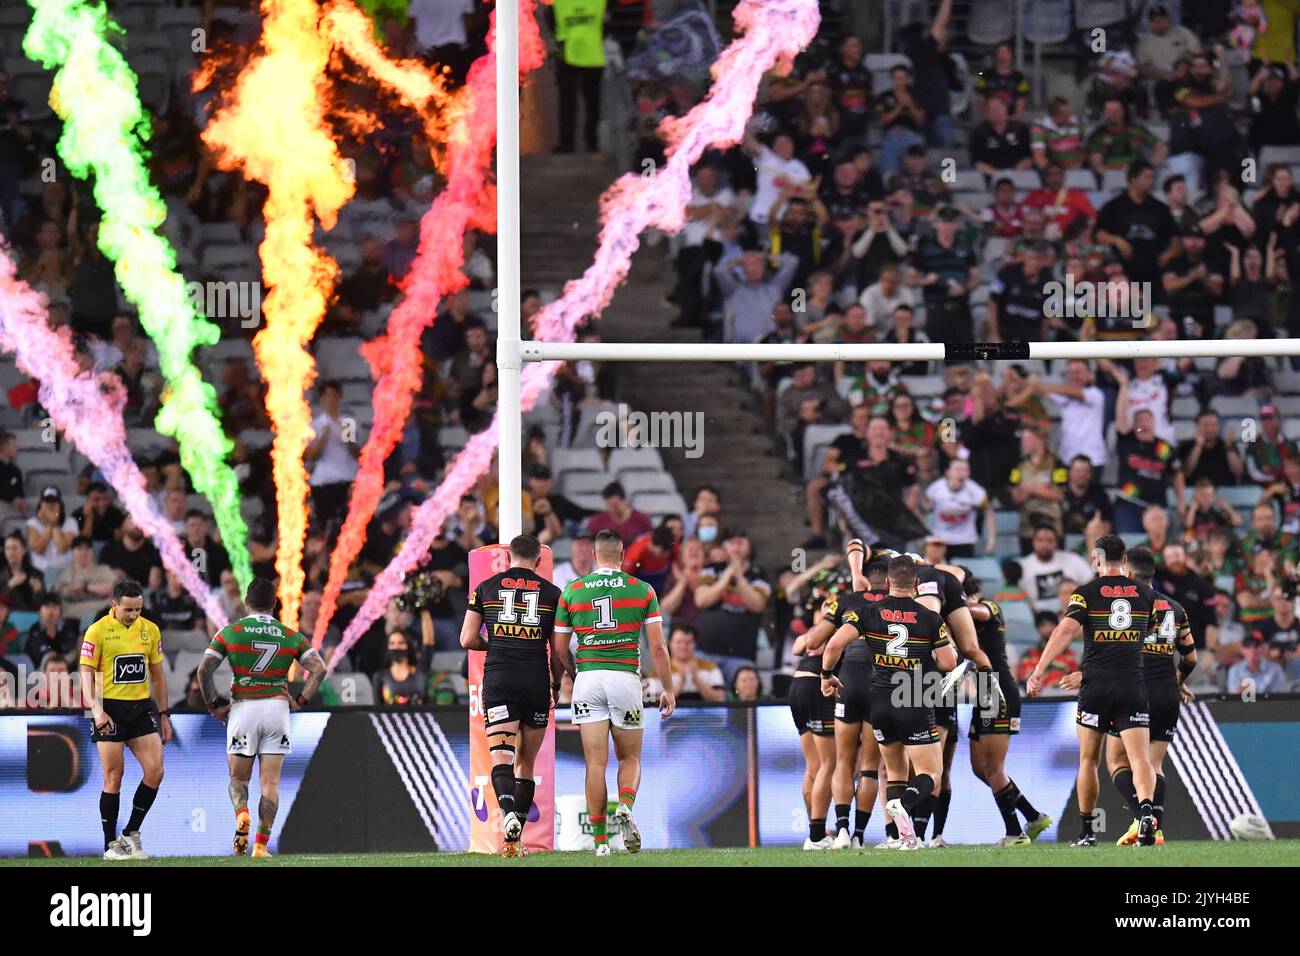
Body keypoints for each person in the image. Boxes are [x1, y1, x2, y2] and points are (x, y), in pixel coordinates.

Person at [1028, 535, 1162, 847]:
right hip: (1132, 682)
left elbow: (1065, 630)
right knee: (1140, 758)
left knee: (1088, 759)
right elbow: (1150, 630)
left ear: (1096, 559)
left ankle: (1087, 832)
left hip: (1095, 685)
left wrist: (1039, 669)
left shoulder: (1085, 593)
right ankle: (1146, 815)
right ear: (1125, 561)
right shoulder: (1146, 594)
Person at [819, 554, 958, 850]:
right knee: (930, 774)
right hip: (912, 696)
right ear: (917, 584)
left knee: (893, 771)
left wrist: (826, 675)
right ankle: (904, 806)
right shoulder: (930, 618)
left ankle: (898, 837)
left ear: (888, 581)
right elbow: (948, 662)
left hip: (879, 701)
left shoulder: (868, 612)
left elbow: (832, 645)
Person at [1065, 548, 1197, 846]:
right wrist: (1179, 681)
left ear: (1128, 571)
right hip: (1166, 690)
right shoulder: (1174, 608)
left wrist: (1087, 676)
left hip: (1133, 687)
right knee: (1153, 763)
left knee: (1115, 761)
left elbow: (1112, 653)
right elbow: (1191, 658)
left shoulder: (1120, 604)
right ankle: (1154, 826)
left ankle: (1141, 817)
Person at [554, 529, 674, 856]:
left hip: (588, 678)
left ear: (594, 556)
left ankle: (600, 843)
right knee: (630, 756)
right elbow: (658, 647)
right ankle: (624, 805)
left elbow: (560, 648)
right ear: (622, 556)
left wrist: (573, 674)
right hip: (625, 679)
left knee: (595, 763)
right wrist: (669, 688)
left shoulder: (572, 590)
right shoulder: (643, 590)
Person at [198, 577, 326, 859]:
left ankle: (242, 814)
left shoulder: (231, 632)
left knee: (238, 780)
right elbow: (319, 669)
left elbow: (204, 670)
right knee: (270, 784)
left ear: (247, 602)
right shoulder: (289, 634)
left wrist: (213, 705)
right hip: (277, 710)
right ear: (275, 604)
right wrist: (300, 701)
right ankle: (260, 846)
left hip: (243, 708)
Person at [460, 533, 567, 856]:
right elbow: (558, 652)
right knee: (526, 764)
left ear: (508, 558)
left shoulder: (486, 588)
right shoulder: (553, 594)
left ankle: (507, 816)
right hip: (535, 681)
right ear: (538, 560)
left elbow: (467, 638)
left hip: (500, 680)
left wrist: (494, 643)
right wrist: (557, 684)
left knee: (501, 757)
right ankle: (514, 839)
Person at [799, 541, 886, 849]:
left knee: (842, 760)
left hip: (848, 680)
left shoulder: (845, 600)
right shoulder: (900, 600)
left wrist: (824, 675)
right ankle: (861, 835)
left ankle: (842, 830)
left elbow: (817, 641)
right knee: (870, 767)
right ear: (889, 578)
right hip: (882, 684)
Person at [78, 579, 171, 860]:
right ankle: (110, 846)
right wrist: (95, 708)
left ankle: (130, 834)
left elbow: (157, 675)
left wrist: (164, 714)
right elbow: (84, 672)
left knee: (155, 771)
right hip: (109, 709)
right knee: (114, 776)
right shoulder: (97, 631)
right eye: (128, 610)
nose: (133, 615)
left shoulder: (150, 631)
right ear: (114, 606)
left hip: (141, 709)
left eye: (138, 610)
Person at [963, 573, 1051, 845]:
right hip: (984, 694)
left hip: (999, 691)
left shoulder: (989, 607)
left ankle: (1014, 832)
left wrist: (948, 600)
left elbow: (973, 611)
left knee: (993, 768)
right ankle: (1033, 815)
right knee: (980, 768)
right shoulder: (958, 622)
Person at [552, 0, 606, 154]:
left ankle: (568, 143)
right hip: (592, 54)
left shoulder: (560, 3)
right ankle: (590, 143)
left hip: (570, 53)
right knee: (591, 103)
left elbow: (553, 23)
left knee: (569, 102)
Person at [306, 380, 359, 529]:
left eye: (335, 395)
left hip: (347, 478)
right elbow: (310, 458)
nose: (331, 399)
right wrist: (322, 440)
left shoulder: (347, 423)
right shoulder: (316, 425)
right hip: (324, 480)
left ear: (340, 398)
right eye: (327, 395)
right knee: (326, 522)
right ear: (322, 399)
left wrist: (348, 440)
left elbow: (357, 454)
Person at [923, 458, 995, 557]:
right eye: (958, 470)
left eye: (965, 470)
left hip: (965, 541)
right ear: (948, 472)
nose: (962, 474)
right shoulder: (934, 489)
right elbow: (924, 511)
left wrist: (991, 540)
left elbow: (989, 512)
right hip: (940, 540)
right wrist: (922, 537)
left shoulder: (976, 492)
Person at [645, 624, 725, 703]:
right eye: (679, 642)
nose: (684, 646)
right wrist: (680, 685)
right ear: (669, 643)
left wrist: (697, 679)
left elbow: (720, 698)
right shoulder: (658, 671)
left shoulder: (710, 667)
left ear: (695, 644)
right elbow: (651, 704)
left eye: (689, 642)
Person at [26, 485, 77, 578]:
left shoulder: (71, 522)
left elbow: (62, 548)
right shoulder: (32, 522)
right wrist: (50, 524)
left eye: (54, 502)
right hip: (39, 571)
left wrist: (54, 523)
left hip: (65, 571)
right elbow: (38, 549)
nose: (50, 505)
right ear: (41, 504)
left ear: (60, 504)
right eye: (47, 502)